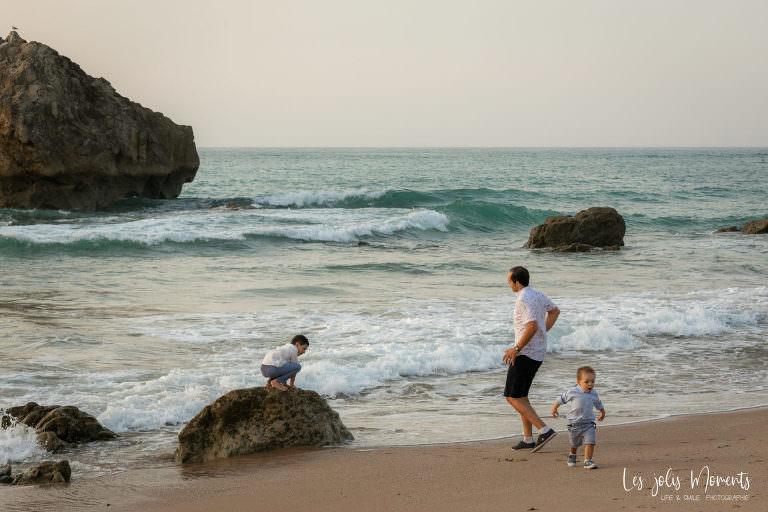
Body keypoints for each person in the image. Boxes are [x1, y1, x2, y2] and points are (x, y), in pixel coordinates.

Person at [503, 266, 560, 453]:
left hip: (525, 353)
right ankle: (528, 439)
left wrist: (516, 348)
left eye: (509, 280)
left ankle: (544, 430)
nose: (508, 283)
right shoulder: (536, 294)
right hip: (537, 352)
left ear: (517, 282)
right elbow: (555, 311)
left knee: (511, 397)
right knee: (522, 396)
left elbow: (532, 326)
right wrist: (543, 333)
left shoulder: (523, 299)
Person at [551, 366, 606, 469]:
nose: (590, 384)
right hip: (574, 424)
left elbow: (598, 403)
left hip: (588, 424)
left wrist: (602, 412)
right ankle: (572, 455)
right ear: (579, 382)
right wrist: (554, 408)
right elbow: (561, 399)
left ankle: (587, 461)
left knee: (590, 441)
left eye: (593, 381)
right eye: (587, 382)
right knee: (574, 443)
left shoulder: (594, 393)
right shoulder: (573, 391)